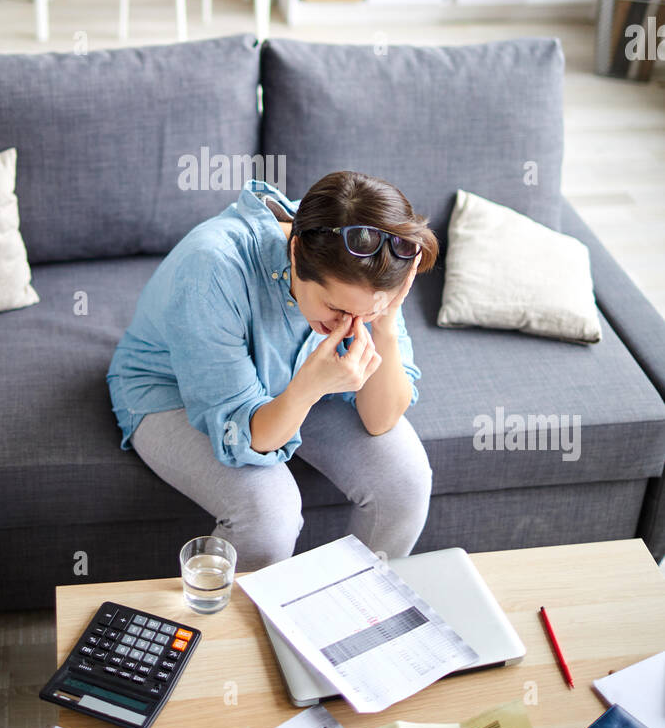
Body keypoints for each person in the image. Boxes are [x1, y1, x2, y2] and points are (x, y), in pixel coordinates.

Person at [107, 169, 439, 571]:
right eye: (335, 308)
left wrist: (384, 323)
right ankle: (235, 631)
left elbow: (380, 419)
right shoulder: (211, 268)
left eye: (367, 311)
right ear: (296, 254)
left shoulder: (372, 265)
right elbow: (249, 435)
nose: (351, 325)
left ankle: (356, 611)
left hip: (300, 378)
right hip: (171, 387)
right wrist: (304, 391)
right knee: (270, 519)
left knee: (405, 484)